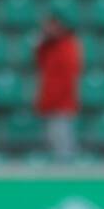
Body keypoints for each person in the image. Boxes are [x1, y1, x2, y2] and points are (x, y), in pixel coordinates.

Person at [34, 14, 83, 161]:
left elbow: (68, 75)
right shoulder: (49, 47)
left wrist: (57, 99)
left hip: (62, 101)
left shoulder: (68, 45)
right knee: (52, 139)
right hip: (49, 99)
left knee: (62, 140)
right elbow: (39, 62)